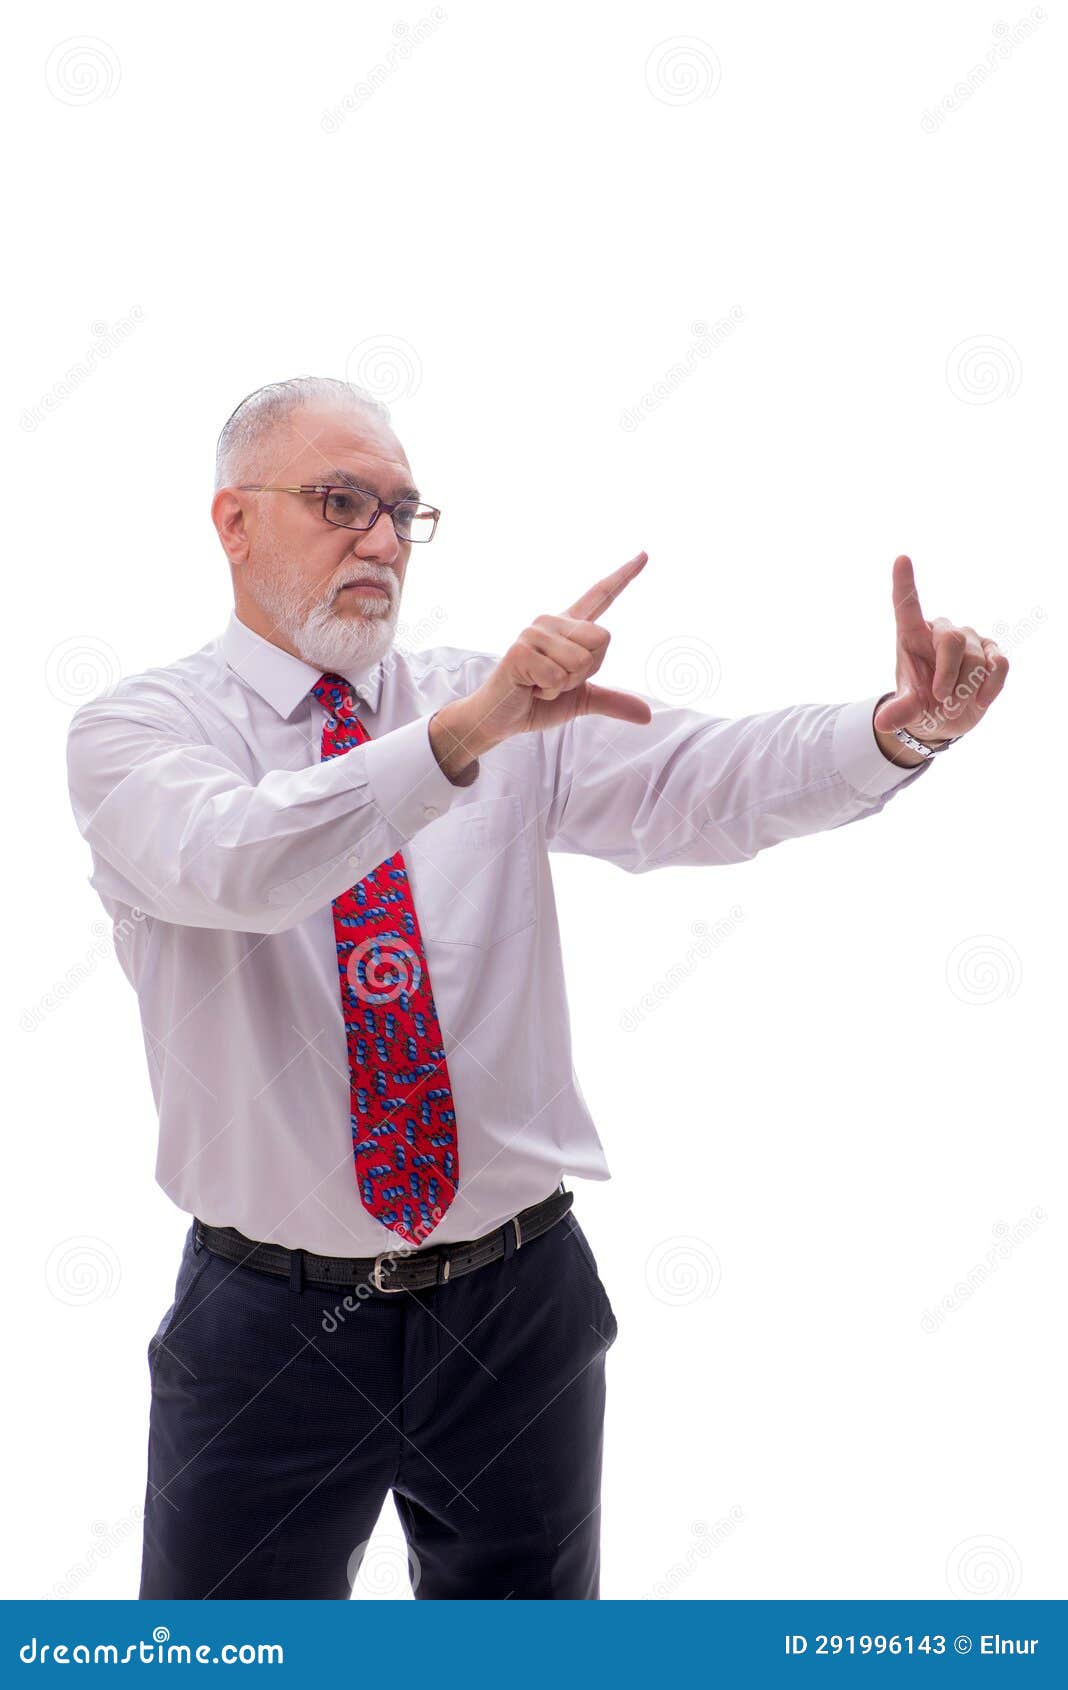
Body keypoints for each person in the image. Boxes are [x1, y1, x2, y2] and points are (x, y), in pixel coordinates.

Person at [65, 376, 1008, 1599]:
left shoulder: (494, 707)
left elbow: (705, 778)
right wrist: (462, 738)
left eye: (403, 511)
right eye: (340, 500)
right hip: (267, 1328)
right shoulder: (141, 732)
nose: (380, 539)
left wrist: (897, 731)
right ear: (233, 521)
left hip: (515, 1309)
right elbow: (240, 861)